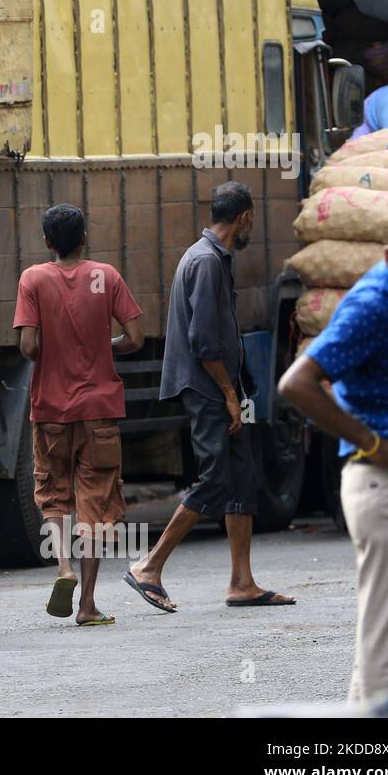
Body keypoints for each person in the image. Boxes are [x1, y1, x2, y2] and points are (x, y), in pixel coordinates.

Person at [279, 208, 388, 704]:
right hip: (384, 488)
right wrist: (376, 445)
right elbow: (297, 383)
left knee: (383, 644)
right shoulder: (374, 306)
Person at [125, 182, 296, 612]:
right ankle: (149, 566)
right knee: (214, 479)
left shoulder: (214, 258)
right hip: (206, 389)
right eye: (252, 218)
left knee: (242, 478)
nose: (251, 225)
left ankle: (242, 582)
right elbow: (203, 341)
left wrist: (236, 390)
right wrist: (228, 394)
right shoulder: (204, 262)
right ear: (243, 217)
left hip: (222, 388)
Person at [14, 204, 143, 626]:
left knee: (53, 495)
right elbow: (136, 338)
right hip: (100, 411)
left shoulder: (32, 279)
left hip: (50, 410)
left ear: (48, 241)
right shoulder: (106, 277)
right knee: (97, 505)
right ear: (84, 236)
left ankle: (63, 567)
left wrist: (51, 346)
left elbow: (28, 347)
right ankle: (87, 605)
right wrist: (106, 345)